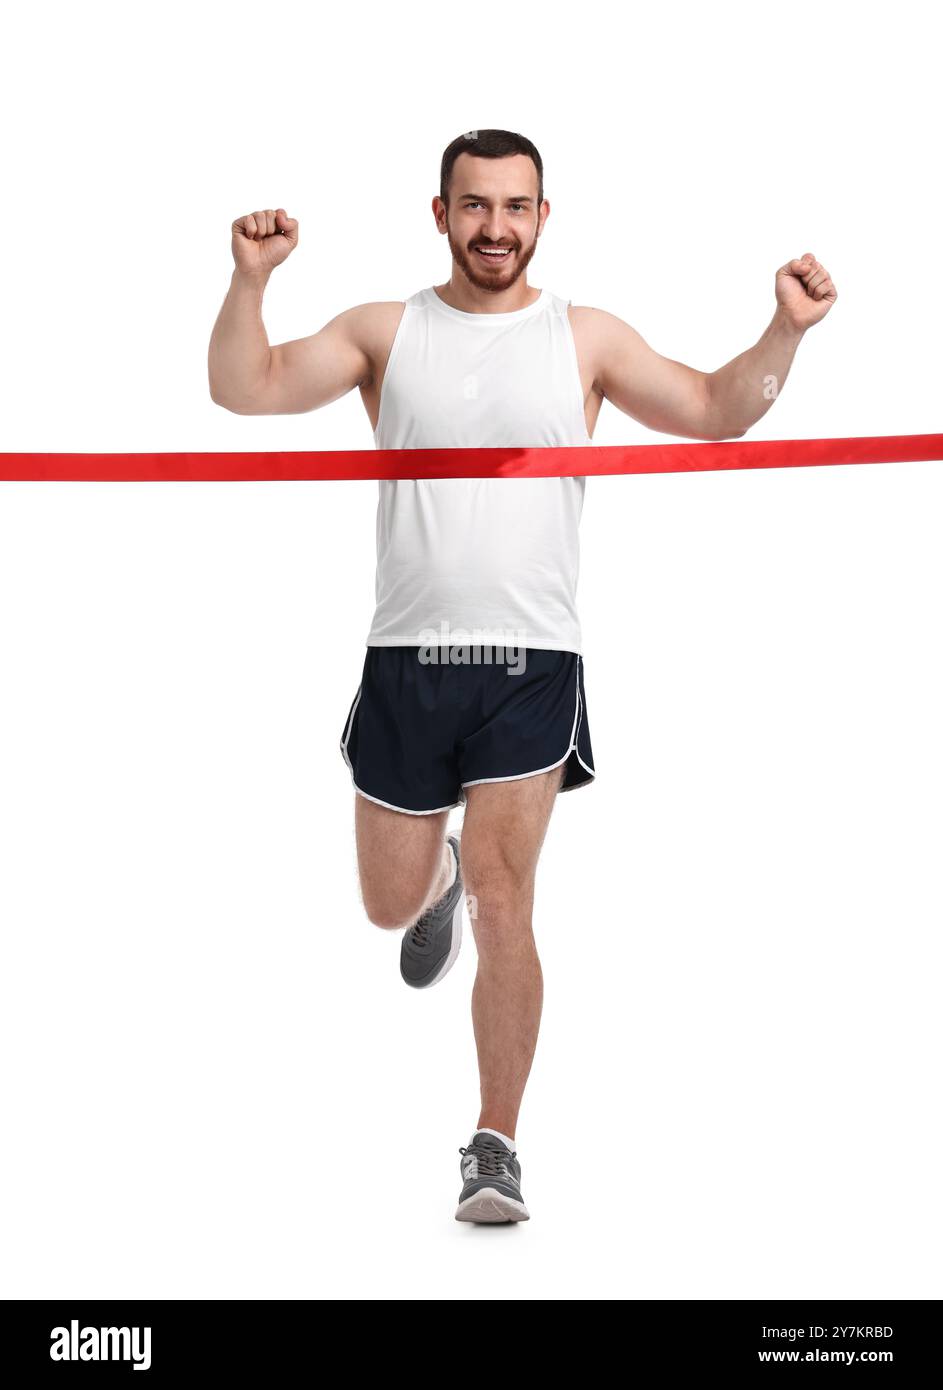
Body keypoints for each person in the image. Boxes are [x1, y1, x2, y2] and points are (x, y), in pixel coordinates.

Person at [208, 128, 837, 1224]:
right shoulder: (383, 331)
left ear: (544, 216)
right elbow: (243, 390)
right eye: (474, 206)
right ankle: (430, 880)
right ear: (439, 213)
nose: (494, 226)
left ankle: (494, 1144)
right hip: (408, 658)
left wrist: (783, 329)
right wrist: (247, 281)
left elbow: (714, 410)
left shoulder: (580, 338)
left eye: (514, 207)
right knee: (387, 901)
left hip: (529, 663)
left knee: (510, 900)